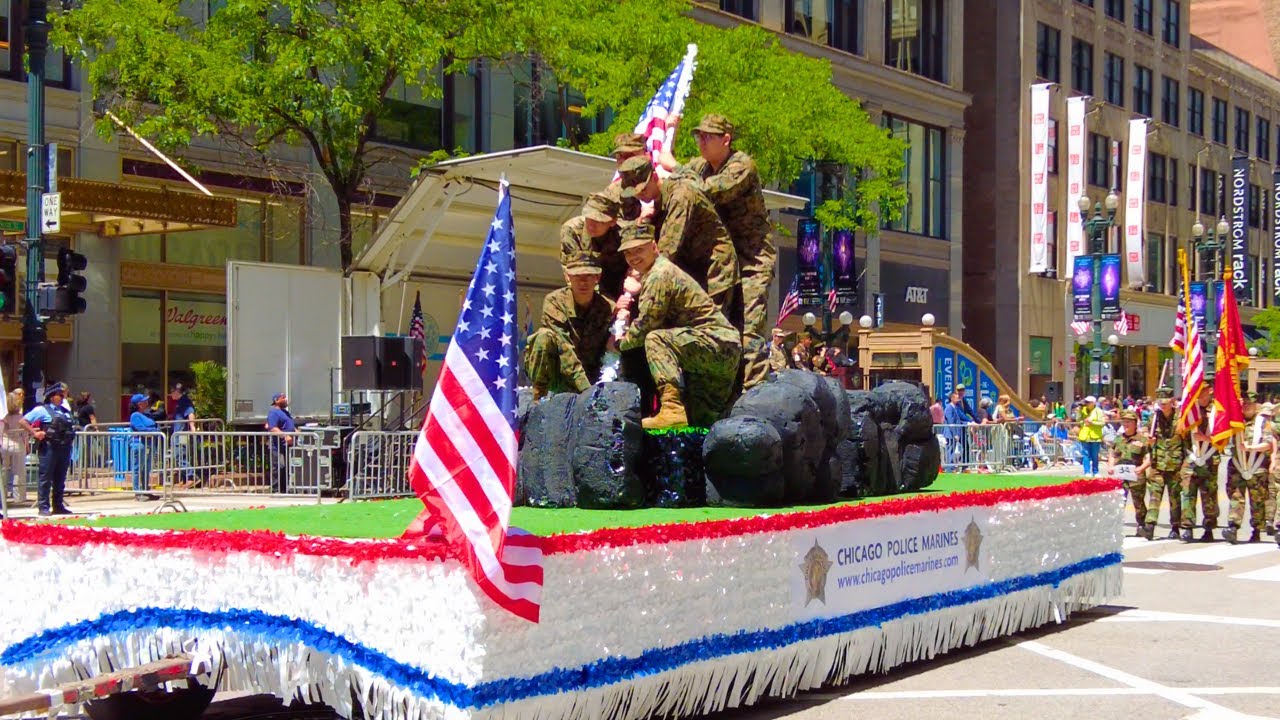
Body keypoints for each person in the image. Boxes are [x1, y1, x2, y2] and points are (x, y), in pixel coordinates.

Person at [670, 114, 776, 390]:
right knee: (718, 326)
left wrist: (679, 170)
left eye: (708, 137)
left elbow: (706, 191)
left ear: (726, 140)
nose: (701, 142)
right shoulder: (699, 166)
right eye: (698, 136)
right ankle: (721, 391)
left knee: (750, 329)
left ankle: (754, 394)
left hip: (751, 260)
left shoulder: (742, 165)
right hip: (720, 262)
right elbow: (675, 182)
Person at [614, 224, 741, 429]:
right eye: (628, 253)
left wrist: (620, 343)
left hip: (713, 343)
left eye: (639, 250)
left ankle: (671, 409)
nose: (633, 257)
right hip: (719, 349)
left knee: (655, 339)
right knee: (703, 423)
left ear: (654, 247)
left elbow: (647, 324)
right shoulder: (658, 272)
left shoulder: (658, 274)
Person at [617, 155, 739, 319]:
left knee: (711, 327)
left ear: (654, 177)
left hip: (715, 268)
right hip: (694, 268)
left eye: (643, 189)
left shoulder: (680, 195)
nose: (640, 196)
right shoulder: (660, 201)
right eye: (636, 193)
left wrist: (641, 279)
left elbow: (668, 248)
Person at [523, 252, 615, 400]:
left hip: (591, 374)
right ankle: (539, 394)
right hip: (559, 372)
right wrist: (586, 390)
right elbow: (564, 347)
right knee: (543, 336)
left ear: (597, 278)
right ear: (568, 277)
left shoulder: (608, 308)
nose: (583, 282)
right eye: (577, 276)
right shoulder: (555, 302)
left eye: (588, 276)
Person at [19, 383, 76, 516]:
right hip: (49, 448)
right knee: (46, 477)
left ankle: (58, 505)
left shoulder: (65, 411)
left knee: (60, 478)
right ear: (51, 397)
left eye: (63, 395)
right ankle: (43, 507)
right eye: (59, 395)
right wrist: (34, 433)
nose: (62, 398)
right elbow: (23, 421)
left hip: (64, 447)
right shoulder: (42, 410)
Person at [559, 192, 627, 300]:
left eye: (599, 220)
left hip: (618, 285)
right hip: (585, 285)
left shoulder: (623, 234)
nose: (592, 224)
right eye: (589, 217)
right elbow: (573, 271)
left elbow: (634, 268)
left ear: (613, 222)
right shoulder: (572, 230)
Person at [1223, 392, 1269, 544]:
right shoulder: (1235, 422)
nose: (1247, 407)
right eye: (1244, 404)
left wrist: (1250, 448)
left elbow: (1269, 443)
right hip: (1237, 466)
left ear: (1256, 406)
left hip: (1257, 466)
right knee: (1236, 497)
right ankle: (1233, 527)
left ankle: (1256, 530)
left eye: (1250, 404)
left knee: (1257, 501)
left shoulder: (1263, 422)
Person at [1144, 387, 1185, 541]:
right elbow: (1146, 440)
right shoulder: (1153, 419)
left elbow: (1185, 443)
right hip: (1158, 464)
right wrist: (1149, 442)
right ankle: (1150, 526)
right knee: (1155, 496)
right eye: (1161, 403)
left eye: (1166, 403)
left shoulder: (1179, 420)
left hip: (1175, 464)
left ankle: (1175, 527)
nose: (1163, 406)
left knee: (1175, 498)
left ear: (1172, 402)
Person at [1180, 389, 1220, 541]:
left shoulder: (1218, 410)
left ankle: (1209, 528)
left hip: (1210, 458)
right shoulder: (1189, 409)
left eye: (1203, 392)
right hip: (1191, 459)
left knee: (1209, 496)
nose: (1200, 395)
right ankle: (1188, 527)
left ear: (1210, 391)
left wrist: (1204, 438)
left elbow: (1224, 437)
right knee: (1187, 493)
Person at [1107, 409, 1151, 536]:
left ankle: (1142, 525)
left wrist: (1142, 468)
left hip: (1136, 474)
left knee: (1139, 502)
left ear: (1135, 423)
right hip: (1121, 475)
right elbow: (1113, 454)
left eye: (1128, 422)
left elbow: (1149, 457)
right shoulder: (1118, 439)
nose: (1125, 425)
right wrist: (1110, 466)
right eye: (1124, 422)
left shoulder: (1142, 440)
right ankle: (1116, 526)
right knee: (1119, 501)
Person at [127, 393, 161, 501]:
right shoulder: (135, 415)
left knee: (147, 468)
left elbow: (156, 425)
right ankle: (138, 492)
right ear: (139, 404)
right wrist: (154, 431)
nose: (147, 402)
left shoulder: (147, 414)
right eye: (144, 401)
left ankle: (146, 490)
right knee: (138, 468)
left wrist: (155, 431)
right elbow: (141, 429)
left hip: (149, 444)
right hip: (139, 444)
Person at [265, 392, 296, 493]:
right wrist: (285, 436)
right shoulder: (273, 412)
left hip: (287, 445)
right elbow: (273, 428)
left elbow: (290, 425)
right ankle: (276, 489)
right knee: (279, 467)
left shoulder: (285, 412)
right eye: (283, 398)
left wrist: (297, 432)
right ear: (276, 400)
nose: (286, 400)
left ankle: (285, 489)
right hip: (277, 446)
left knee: (286, 467)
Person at [0, 389, 24, 512]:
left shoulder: (4, 417)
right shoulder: (20, 417)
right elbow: (24, 433)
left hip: (4, 443)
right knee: (18, 471)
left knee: (4, 471)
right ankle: (18, 496)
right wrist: (27, 444)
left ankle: (2, 496)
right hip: (17, 443)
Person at [169, 383, 198, 485]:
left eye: (172, 391)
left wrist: (192, 426)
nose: (170, 394)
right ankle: (184, 479)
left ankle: (191, 476)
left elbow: (190, 413)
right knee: (178, 455)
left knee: (180, 454)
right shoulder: (180, 402)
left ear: (177, 392)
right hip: (177, 432)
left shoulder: (185, 401)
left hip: (182, 433)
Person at [1075, 395, 1107, 477]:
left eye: (1088, 402)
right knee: (1086, 454)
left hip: (1095, 437)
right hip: (1085, 436)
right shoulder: (1083, 410)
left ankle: (1095, 471)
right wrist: (1078, 412)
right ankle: (1087, 471)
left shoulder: (1098, 411)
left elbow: (1102, 423)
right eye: (1086, 402)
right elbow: (1078, 420)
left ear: (1093, 403)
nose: (1086, 404)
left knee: (1094, 455)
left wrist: (1092, 423)